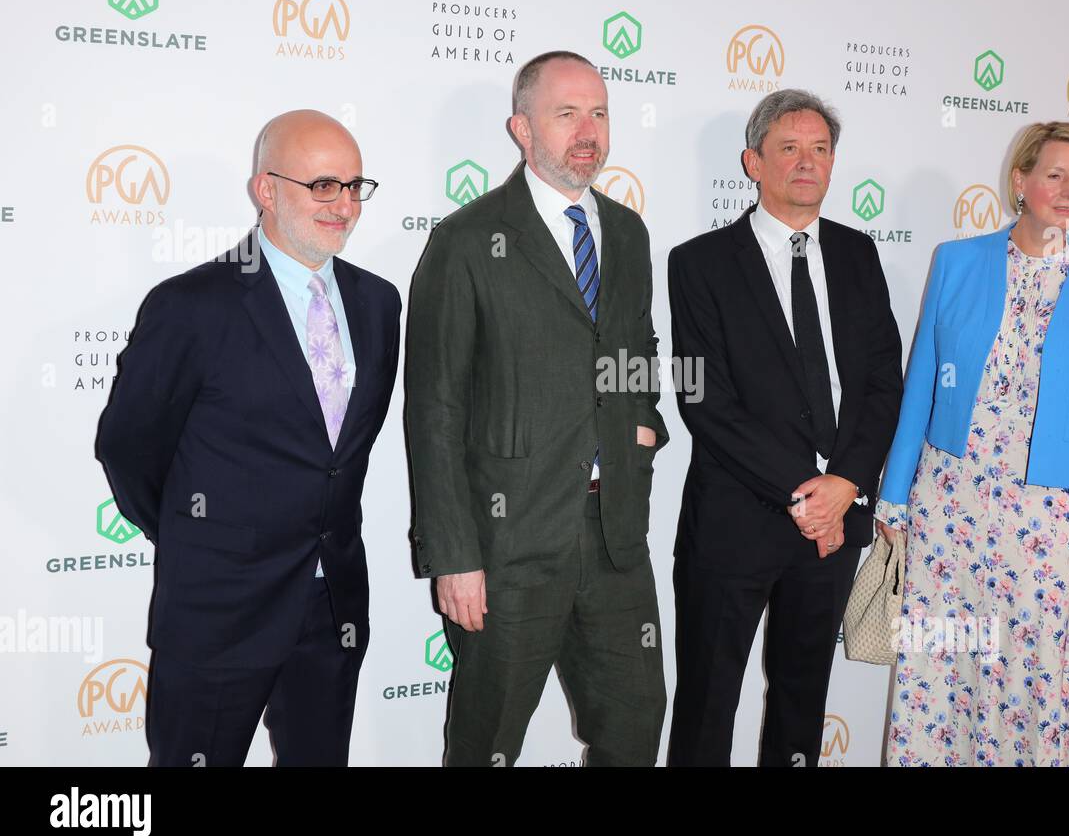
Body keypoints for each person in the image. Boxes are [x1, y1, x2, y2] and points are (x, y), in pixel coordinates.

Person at [96, 109, 401, 766]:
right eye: (322, 185)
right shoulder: (193, 304)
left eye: (353, 186)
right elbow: (127, 446)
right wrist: (202, 537)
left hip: (332, 602)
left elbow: (340, 454)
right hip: (218, 611)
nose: (343, 205)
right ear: (266, 190)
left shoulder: (379, 304)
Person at [404, 51, 670, 766]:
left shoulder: (629, 233)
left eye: (600, 112)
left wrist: (642, 425)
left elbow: (637, 345)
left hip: (615, 536)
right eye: (567, 113)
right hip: (505, 546)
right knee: (486, 743)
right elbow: (433, 410)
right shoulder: (464, 241)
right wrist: (454, 556)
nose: (589, 131)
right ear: (522, 128)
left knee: (636, 727)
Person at [874, 121, 1069, 766]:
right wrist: (893, 499)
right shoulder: (958, 263)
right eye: (1055, 174)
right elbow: (920, 392)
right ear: (1020, 181)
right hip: (951, 507)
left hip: (1046, 525)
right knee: (942, 673)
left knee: (1036, 681)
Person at [665, 89, 904, 766]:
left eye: (821, 149)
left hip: (836, 521)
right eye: (790, 149)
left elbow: (884, 383)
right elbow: (702, 400)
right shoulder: (699, 262)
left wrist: (846, 483)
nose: (808, 163)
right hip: (736, 519)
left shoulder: (859, 255)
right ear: (753, 162)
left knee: (803, 701)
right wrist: (809, 491)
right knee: (708, 702)